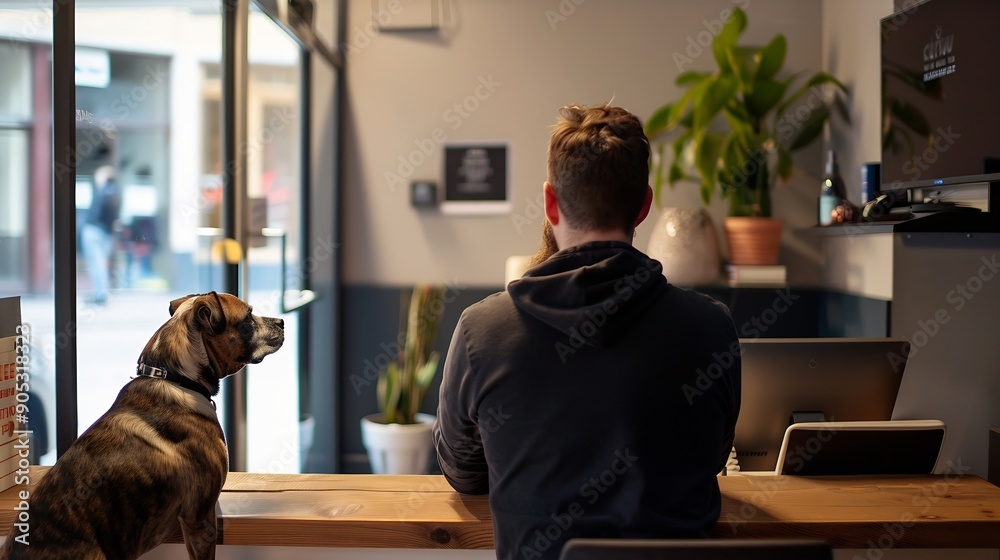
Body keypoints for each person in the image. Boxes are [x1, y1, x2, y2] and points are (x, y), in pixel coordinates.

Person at [432, 104, 741, 560]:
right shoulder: (711, 327)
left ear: (550, 202)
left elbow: (463, 472)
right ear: (643, 206)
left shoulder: (482, 331)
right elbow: (708, 461)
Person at [81, 165, 120, 305]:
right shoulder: (113, 192)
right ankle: (99, 293)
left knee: (97, 264)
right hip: (104, 233)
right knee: (99, 263)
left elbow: (100, 214)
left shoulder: (104, 192)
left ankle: (100, 294)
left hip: (96, 231)